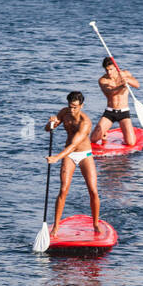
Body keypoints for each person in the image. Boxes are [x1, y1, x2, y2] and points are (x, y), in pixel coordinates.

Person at [45, 92, 102, 236]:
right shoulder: (64, 113)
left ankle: (95, 224)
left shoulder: (85, 122)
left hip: (84, 154)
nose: (72, 110)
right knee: (63, 189)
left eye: (75, 107)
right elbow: (48, 129)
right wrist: (51, 124)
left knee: (93, 190)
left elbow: (74, 144)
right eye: (70, 106)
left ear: (82, 106)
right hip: (69, 155)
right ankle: (56, 227)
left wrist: (57, 157)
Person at [91, 58, 140, 148]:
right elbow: (110, 93)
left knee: (131, 143)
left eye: (111, 69)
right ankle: (104, 135)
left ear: (116, 67)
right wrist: (122, 86)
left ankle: (128, 131)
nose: (109, 72)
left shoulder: (125, 74)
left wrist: (128, 80)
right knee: (93, 139)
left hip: (124, 112)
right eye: (107, 70)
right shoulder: (103, 80)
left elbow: (137, 84)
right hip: (110, 112)